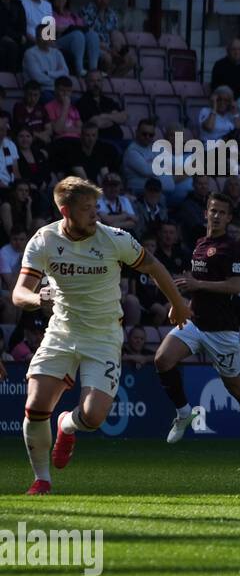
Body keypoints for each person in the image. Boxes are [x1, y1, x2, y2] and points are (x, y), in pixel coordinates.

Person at [13, 176, 191, 494]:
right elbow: (19, 294)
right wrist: (38, 299)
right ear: (66, 211)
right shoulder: (44, 240)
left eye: (96, 207)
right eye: (87, 209)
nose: (95, 214)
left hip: (104, 336)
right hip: (61, 331)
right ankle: (42, 480)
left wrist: (177, 304)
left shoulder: (114, 239)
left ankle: (67, 424)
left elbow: (154, 267)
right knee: (36, 405)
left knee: (93, 417)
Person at [153, 191, 240, 461]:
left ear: (229, 218)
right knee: (162, 359)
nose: (216, 215)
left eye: (222, 212)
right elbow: (193, 281)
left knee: (235, 387)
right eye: (212, 210)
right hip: (195, 321)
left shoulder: (232, 247)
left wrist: (199, 285)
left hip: (222, 331)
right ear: (205, 213)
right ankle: (184, 413)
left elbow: (235, 286)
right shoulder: (198, 244)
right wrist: (179, 304)